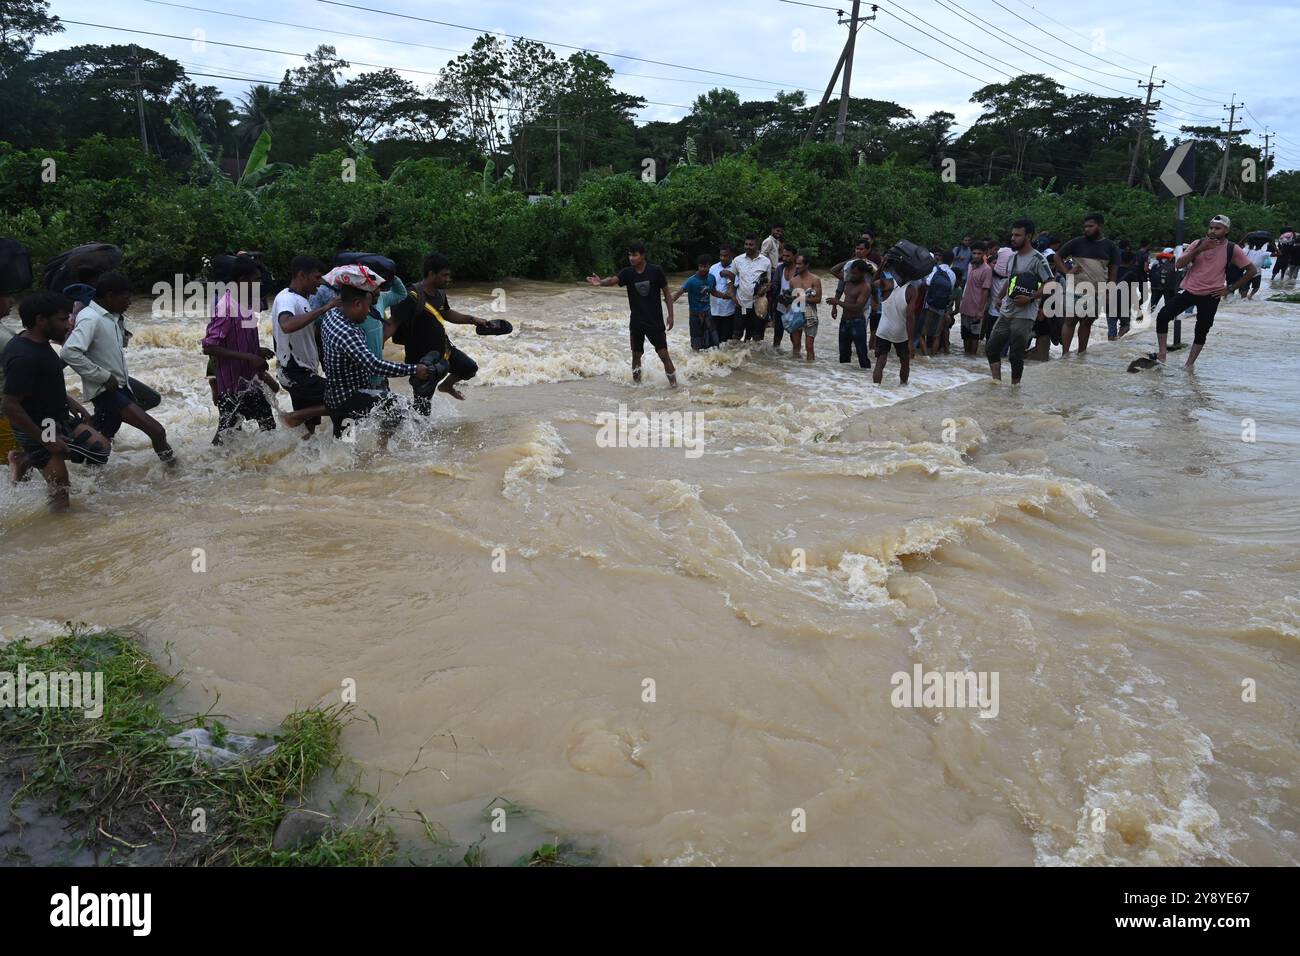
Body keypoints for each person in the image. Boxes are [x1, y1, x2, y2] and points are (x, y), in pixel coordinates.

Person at [3, 292, 111, 511]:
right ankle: (60, 536)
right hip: (40, 427)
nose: (69, 324)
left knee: (100, 447)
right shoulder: (24, 357)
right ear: (41, 320)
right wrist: (45, 441)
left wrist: (72, 403)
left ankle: (26, 459)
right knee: (61, 491)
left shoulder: (37, 342)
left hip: (55, 418)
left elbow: (42, 385)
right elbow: (9, 406)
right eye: (63, 319)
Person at [60, 271, 176, 465]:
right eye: (126, 298)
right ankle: (175, 472)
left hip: (119, 386)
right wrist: (103, 376)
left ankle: (90, 484)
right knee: (157, 431)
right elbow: (69, 352)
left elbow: (113, 349)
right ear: (110, 296)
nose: (129, 303)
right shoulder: (90, 318)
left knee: (101, 445)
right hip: (106, 390)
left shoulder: (111, 317)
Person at [321, 284, 433, 447]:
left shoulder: (332, 315)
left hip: (335, 395)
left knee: (344, 447)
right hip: (348, 397)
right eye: (368, 307)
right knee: (399, 404)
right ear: (357, 304)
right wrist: (414, 369)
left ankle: (343, 467)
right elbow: (374, 366)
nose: (369, 312)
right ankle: (381, 449)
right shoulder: (346, 332)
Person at [1154, 214, 1258, 369]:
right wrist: (1201, 249)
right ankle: (1162, 353)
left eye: (1217, 228)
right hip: (1189, 290)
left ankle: (1189, 365)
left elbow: (1251, 270)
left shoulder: (1232, 248)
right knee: (1163, 316)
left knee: (1202, 330)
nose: (1213, 231)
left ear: (1226, 230)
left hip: (1212, 295)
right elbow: (1179, 264)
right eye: (1211, 227)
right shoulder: (1197, 243)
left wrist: (1229, 289)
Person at [391, 253, 485, 408]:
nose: (447, 279)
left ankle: (446, 386)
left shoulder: (440, 293)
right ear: (431, 274)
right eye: (444, 275)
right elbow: (392, 324)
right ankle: (409, 427)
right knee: (422, 411)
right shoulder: (411, 296)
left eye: (448, 275)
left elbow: (446, 313)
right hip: (422, 362)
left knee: (469, 368)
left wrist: (472, 320)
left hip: (444, 352)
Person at [202, 256, 278, 445]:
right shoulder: (226, 306)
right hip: (232, 386)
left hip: (250, 381)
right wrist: (249, 357)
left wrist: (257, 350)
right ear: (243, 281)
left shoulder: (248, 302)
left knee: (266, 428)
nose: (260, 284)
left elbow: (237, 338)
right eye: (256, 280)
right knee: (227, 434)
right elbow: (209, 346)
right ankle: (209, 468)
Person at [586, 242, 678, 387]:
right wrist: (600, 282)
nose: (631, 258)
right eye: (629, 255)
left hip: (655, 322)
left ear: (642, 255)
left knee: (664, 355)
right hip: (637, 322)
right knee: (636, 356)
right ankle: (637, 387)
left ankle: (674, 386)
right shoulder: (627, 273)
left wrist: (671, 315)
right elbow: (612, 280)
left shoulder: (655, 271)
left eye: (634, 255)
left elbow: (666, 292)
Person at [272, 256, 337, 434]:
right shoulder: (286, 298)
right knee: (343, 400)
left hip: (302, 371)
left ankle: (304, 455)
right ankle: (293, 416)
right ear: (301, 275)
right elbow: (287, 325)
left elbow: (307, 335)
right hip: (296, 372)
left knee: (308, 429)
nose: (320, 283)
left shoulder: (303, 300)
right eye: (317, 277)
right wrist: (324, 308)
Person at [987, 219, 1055, 385]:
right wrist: (999, 297)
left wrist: (1030, 298)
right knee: (991, 348)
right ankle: (996, 384)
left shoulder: (1038, 259)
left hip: (1025, 315)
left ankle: (1014, 388)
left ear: (1029, 236)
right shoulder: (1012, 258)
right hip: (1006, 311)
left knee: (1015, 355)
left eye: (1017, 235)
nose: (1013, 238)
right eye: (1012, 235)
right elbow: (1009, 280)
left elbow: (1051, 283)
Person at [1053, 212, 1120, 354]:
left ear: (1100, 226)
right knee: (1070, 320)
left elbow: (1113, 272)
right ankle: (1065, 354)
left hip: (1097, 291)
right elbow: (1057, 257)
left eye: (1091, 226)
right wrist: (1067, 272)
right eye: (1085, 226)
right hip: (1075, 287)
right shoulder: (1077, 242)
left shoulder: (1110, 246)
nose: (1087, 229)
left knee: (1087, 322)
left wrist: (1110, 292)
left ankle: (1081, 354)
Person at [872, 260, 915, 386]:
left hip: (883, 329)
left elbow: (872, 284)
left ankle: (875, 389)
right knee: (904, 362)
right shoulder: (912, 290)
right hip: (900, 332)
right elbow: (910, 317)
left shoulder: (887, 283)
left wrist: (880, 267)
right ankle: (903, 387)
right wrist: (911, 342)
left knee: (880, 362)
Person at [828, 258, 872, 369]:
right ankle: (846, 380)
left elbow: (857, 307)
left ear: (863, 273)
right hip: (845, 320)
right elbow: (833, 270)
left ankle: (867, 381)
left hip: (857, 322)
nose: (853, 275)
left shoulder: (865, 287)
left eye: (856, 273)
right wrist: (850, 260)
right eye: (852, 272)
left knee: (862, 354)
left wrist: (837, 302)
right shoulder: (849, 280)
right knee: (843, 354)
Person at [671, 255, 719, 350]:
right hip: (695, 316)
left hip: (707, 314)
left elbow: (713, 292)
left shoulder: (712, 278)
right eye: (700, 266)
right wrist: (668, 302)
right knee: (696, 346)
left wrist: (727, 296)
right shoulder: (691, 281)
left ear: (709, 266)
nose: (702, 269)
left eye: (705, 266)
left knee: (714, 343)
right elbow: (678, 294)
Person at [730, 235, 771, 342]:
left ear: (757, 246)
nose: (747, 247)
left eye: (751, 245)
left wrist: (765, 289)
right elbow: (731, 277)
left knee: (757, 336)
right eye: (746, 244)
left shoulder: (766, 261)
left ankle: (755, 358)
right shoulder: (737, 260)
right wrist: (732, 295)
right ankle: (737, 357)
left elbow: (768, 282)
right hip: (741, 303)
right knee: (736, 334)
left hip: (758, 304)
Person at [785, 252, 822, 361]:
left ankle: (809, 371)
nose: (797, 266)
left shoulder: (815, 279)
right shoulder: (793, 280)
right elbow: (791, 300)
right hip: (796, 313)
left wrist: (803, 298)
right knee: (796, 346)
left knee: (809, 347)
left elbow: (818, 299)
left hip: (810, 314)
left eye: (800, 264)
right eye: (796, 263)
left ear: (807, 265)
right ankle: (798, 373)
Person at [919, 251, 956, 356]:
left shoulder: (935, 269)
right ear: (952, 261)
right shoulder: (952, 274)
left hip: (929, 306)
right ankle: (933, 356)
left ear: (941, 259)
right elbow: (950, 292)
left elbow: (927, 284)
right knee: (936, 335)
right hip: (941, 308)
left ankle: (926, 356)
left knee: (922, 334)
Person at [958, 242, 992, 356]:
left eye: (979, 253)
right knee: (965, 335)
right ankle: (966, 362)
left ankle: (972, 359)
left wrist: (980, 311)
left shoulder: (987, 270)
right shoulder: (969, 266)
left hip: (976, 309)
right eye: (974, 253)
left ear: (984, 254)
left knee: (974, 337)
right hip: (965, 307)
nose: (976, 256)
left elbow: (985, 291)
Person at [707, 245, 740, 343]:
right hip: (714, 311)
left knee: (726, 343)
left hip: (729, 312)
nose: (722, 258)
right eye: (721, 255)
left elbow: (741, 286)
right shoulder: (713, 268)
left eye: (725, 256)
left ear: (731, 255)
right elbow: (708, 286)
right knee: (713, 342)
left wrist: (730, 274)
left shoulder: (737, 267)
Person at [770, 245, 797, 350]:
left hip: (795, 308)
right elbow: (775, 285)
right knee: (777, 334)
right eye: (783, 255)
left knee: (794, 336)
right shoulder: (780, 268)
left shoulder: (799, 270)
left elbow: (803, 289)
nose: (784, 258)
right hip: (780, 306)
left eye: (788, 256)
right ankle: (776, 359)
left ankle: (796, 358)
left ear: (794, 256)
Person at [0, 293, 16, 464]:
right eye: (5, 296)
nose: (12, 301)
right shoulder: (3, 337)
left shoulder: (4, 330)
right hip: (6, 412)